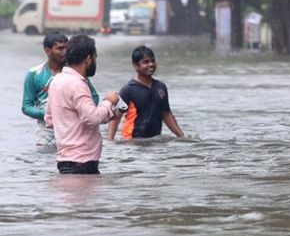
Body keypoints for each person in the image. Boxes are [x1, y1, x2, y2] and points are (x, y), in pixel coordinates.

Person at [44, 34, 121, 174]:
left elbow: (49, 120)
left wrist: (107, 115)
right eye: (95, 57)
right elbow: (93, 118)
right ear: (88, 59)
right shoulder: (77, 84)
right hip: (82, 163)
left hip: (65, 161)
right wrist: (108, 101)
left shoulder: (56, 81)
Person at [22, 32, 99, 151]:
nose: (65, 52)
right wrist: (46, 113)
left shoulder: (76, 72)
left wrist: (81, 111)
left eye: (66, 48)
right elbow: (26, 106)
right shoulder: (34, 74)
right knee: (44, 156)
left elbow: (94, 97)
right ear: (48, 51)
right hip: (47, 130)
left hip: (73, 128)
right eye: (60, 48)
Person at [107, 46, 185, 140]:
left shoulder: (161, 87)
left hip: (155, 141)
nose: (151, 64)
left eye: (153, 61)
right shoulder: (128, 90)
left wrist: (182, 137)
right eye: (146, 62)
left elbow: (167, 114)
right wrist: (110, 141)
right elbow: (116, 117)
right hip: (132, 142)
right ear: (136, 66)